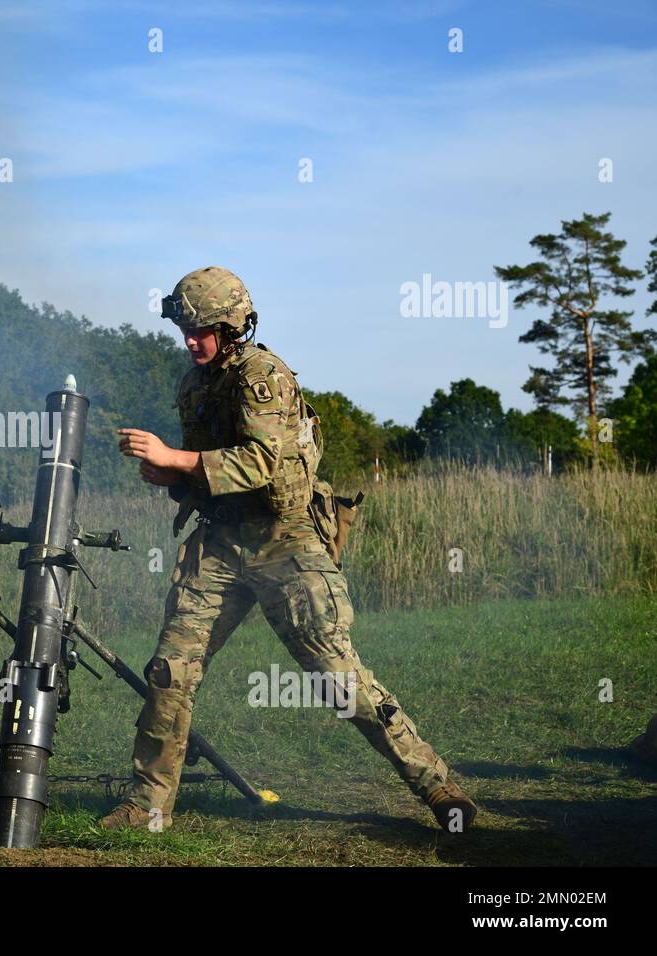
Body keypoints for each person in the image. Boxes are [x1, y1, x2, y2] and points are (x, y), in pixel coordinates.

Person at [101, 267, 476, 833]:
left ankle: (437, 786)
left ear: (232, 327)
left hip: (287, 539)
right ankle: (147, 807)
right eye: (185, 329)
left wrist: (176, 458)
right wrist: (171, 478)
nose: (189, 341)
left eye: (201, 330)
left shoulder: (262, 375)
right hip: (223, 542)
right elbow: (213, 475)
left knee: (339, 679)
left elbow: (261, 464)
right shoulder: (194, 384)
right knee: (169, 672)